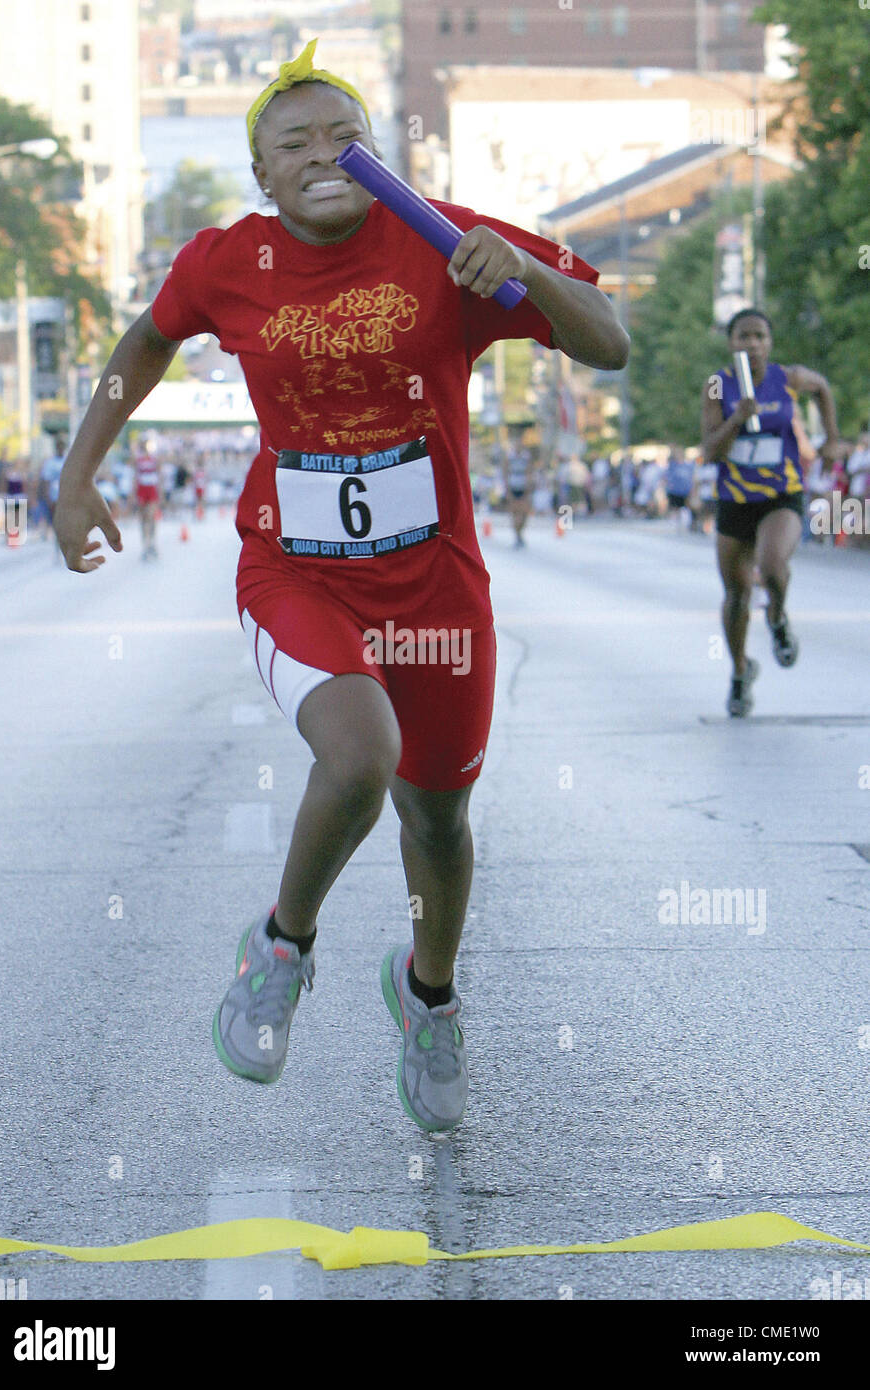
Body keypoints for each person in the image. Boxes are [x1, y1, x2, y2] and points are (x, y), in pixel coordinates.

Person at [53, 37, 628, 1133]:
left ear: (380, 155)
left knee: (439, 820)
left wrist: (523, 271)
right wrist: (79, 475)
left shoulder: (445, 239)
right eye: (294, 142)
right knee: (358, 755)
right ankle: (283, 944)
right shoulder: (228, 261)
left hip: (438, 587)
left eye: (344, 136)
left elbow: (608, 343)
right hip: (296, 569)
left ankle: (429, 995)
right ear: (262, 174)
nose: (324, 153)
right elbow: (146, 341)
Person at [700, 307, 841, 717]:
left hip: (782, 493)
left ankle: (778, 618)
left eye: (760, 336)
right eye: (743, 336)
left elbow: (824, 388)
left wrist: (832, 439)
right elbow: (709, 450)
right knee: (736, 595)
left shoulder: (789, 379)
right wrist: (737, 420)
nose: (752, 344)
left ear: (770, 342)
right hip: (735, 499)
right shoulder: (717, 386)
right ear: (731, 343)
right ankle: (741, 671)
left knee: (772, 563)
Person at [134, 438, 160, 560]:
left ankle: (152, 542)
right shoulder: (138, 460)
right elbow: (135, 477)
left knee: (151, 517)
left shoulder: (154, 459)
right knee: (143, 519)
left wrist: (161, 493)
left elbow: (159, 476)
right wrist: (133, 495)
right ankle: (145, 544)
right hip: (142, 490)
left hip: (151, 490)